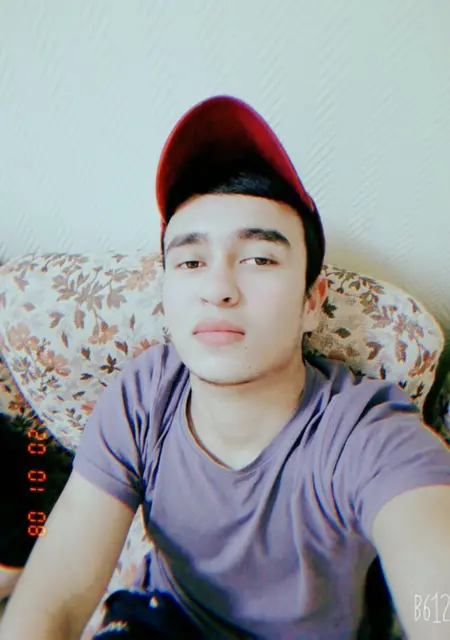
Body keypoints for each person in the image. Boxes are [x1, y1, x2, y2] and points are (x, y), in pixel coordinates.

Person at [1, 95, 450, 640]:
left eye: (259, 258)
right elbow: (58, 591)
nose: (218, 289)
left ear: (312, 301)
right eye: (191, 261)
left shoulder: (365, 433)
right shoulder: (143, 396)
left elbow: (435, 588)